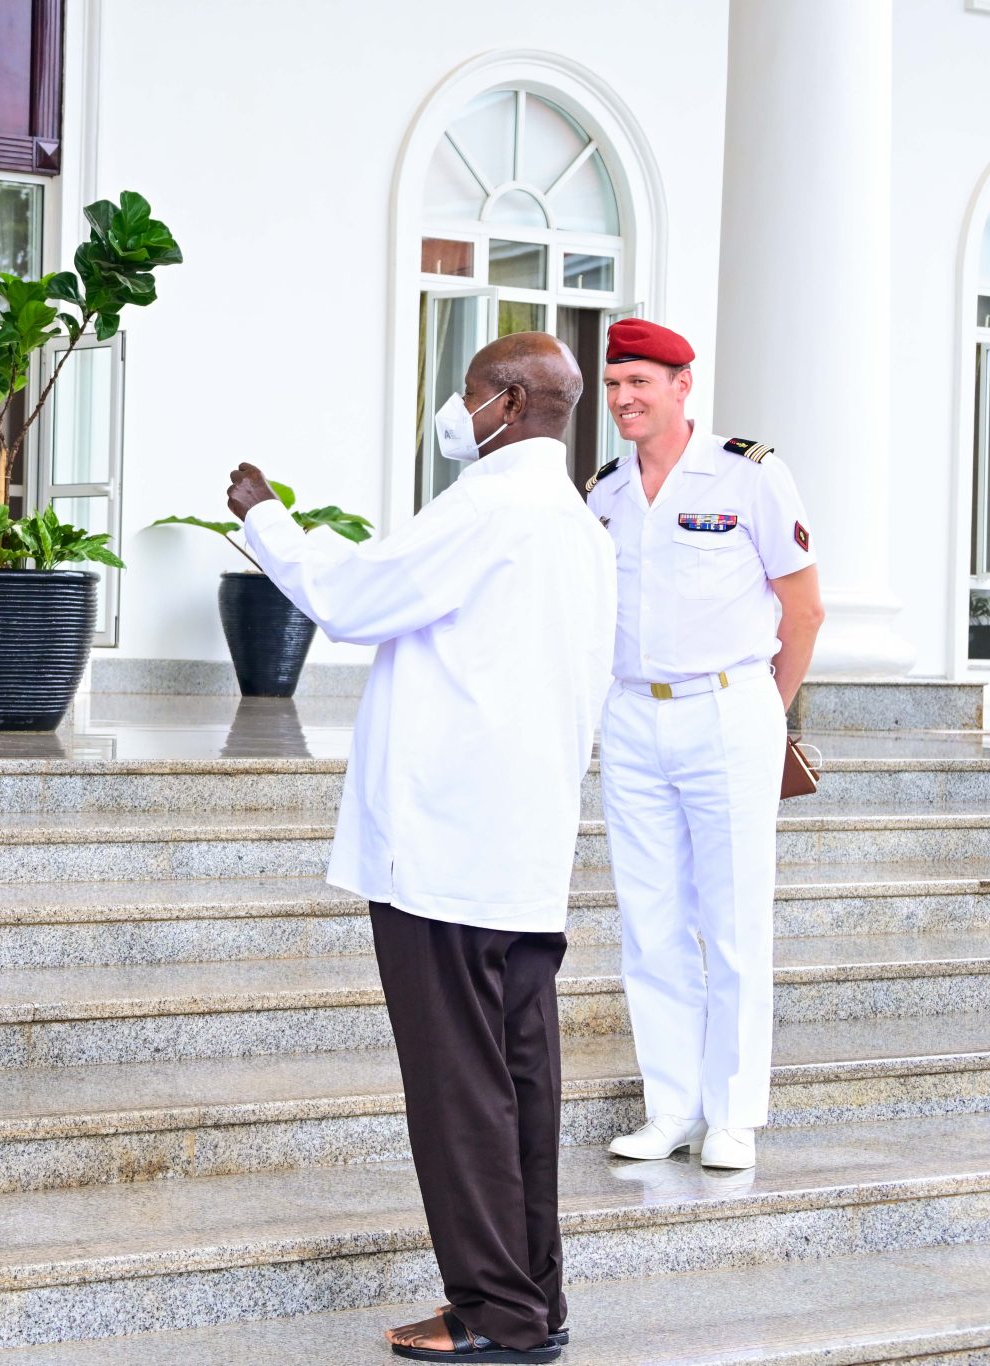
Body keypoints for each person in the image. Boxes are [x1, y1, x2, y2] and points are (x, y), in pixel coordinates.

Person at [229, 332, 615, 1363]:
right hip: (522, 846)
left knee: (458, 1087)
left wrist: (263, 517)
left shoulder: (489, 504)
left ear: (503, 399)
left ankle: (491, 1310)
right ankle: (534, 1299)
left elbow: (352, 598)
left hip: (445, 847)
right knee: (519, 1080)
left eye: (466, 388)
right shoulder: (578, 523)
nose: (456, 407)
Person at [589, 319, 823, 1173]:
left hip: (727, 708)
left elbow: (803, 611)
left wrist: (766, 711)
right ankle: (669, 1108)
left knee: (730, 923)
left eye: (639, 384)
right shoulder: (605, 491)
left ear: (683, 386)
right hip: (632, 716)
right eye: (614, 386)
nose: (623, 400)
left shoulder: (749, 474)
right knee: (649, 923)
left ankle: (733, 1115)